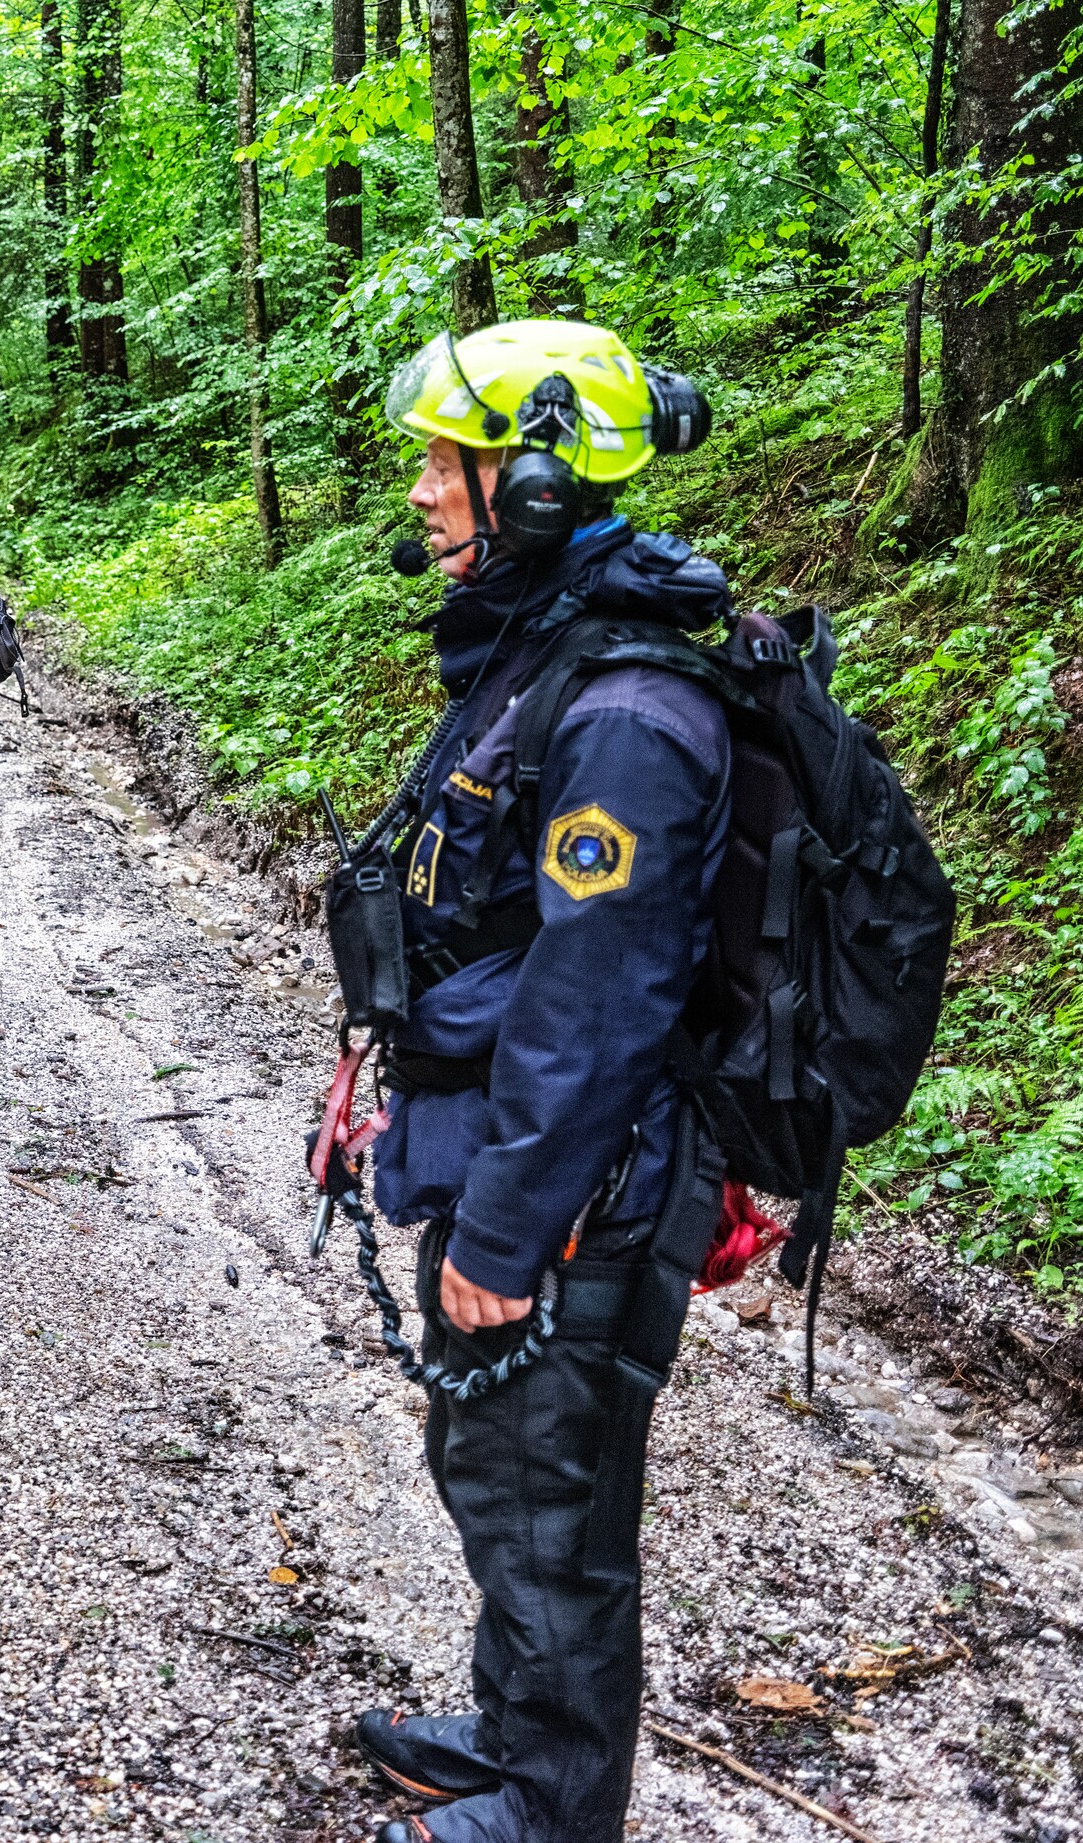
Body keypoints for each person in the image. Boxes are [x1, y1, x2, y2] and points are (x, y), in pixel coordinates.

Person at [345, 322, 734, 1843]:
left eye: (451, 461)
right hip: (510, 1134)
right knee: (490, 1452)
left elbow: (599, 1001)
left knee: (553, 1492)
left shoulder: (629, 713)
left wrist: (507, 1230)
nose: (429, 491)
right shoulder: (541, 644)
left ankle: (555, 1803)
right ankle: (512, 1727)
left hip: (584, 1176)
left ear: (542, 479)